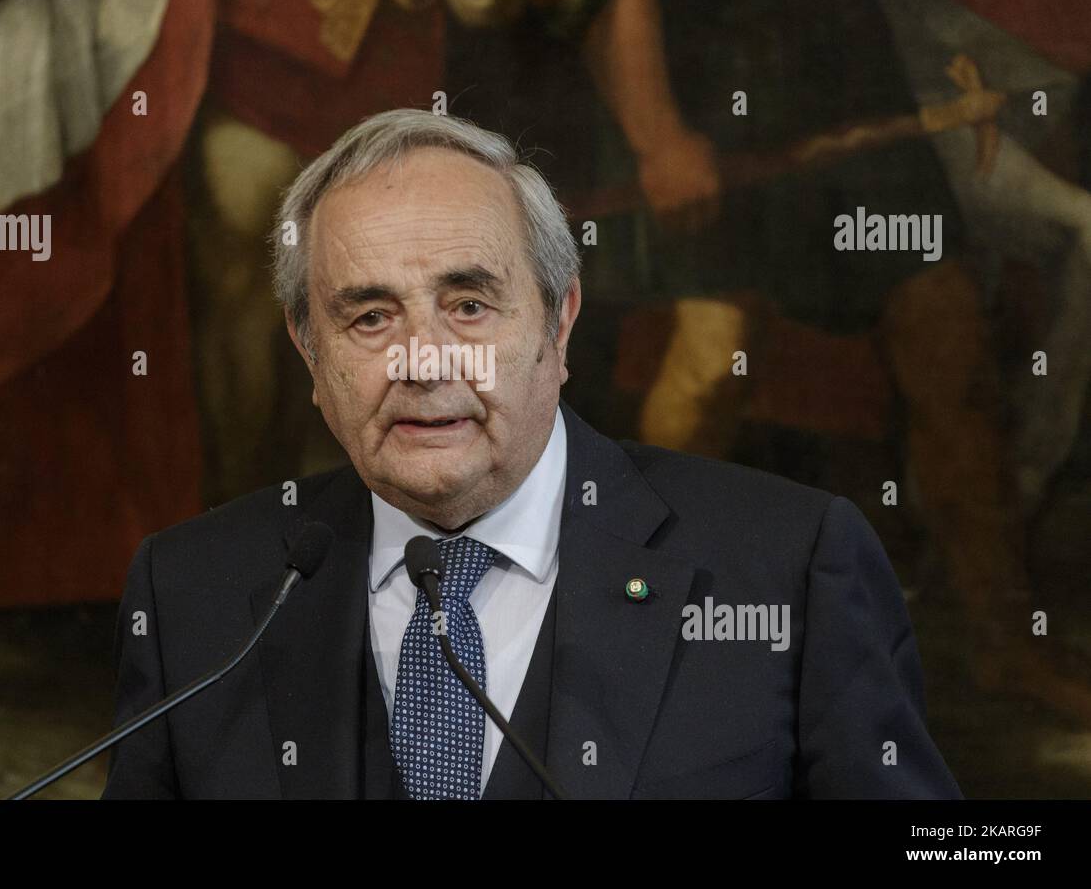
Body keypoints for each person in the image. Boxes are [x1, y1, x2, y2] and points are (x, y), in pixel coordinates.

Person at [102, 108, 961, 799]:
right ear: (309, 353)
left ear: (559, 323)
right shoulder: (193, 598)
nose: (424, 359)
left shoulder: (789, 568)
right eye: (369, 317)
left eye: (470, 305)